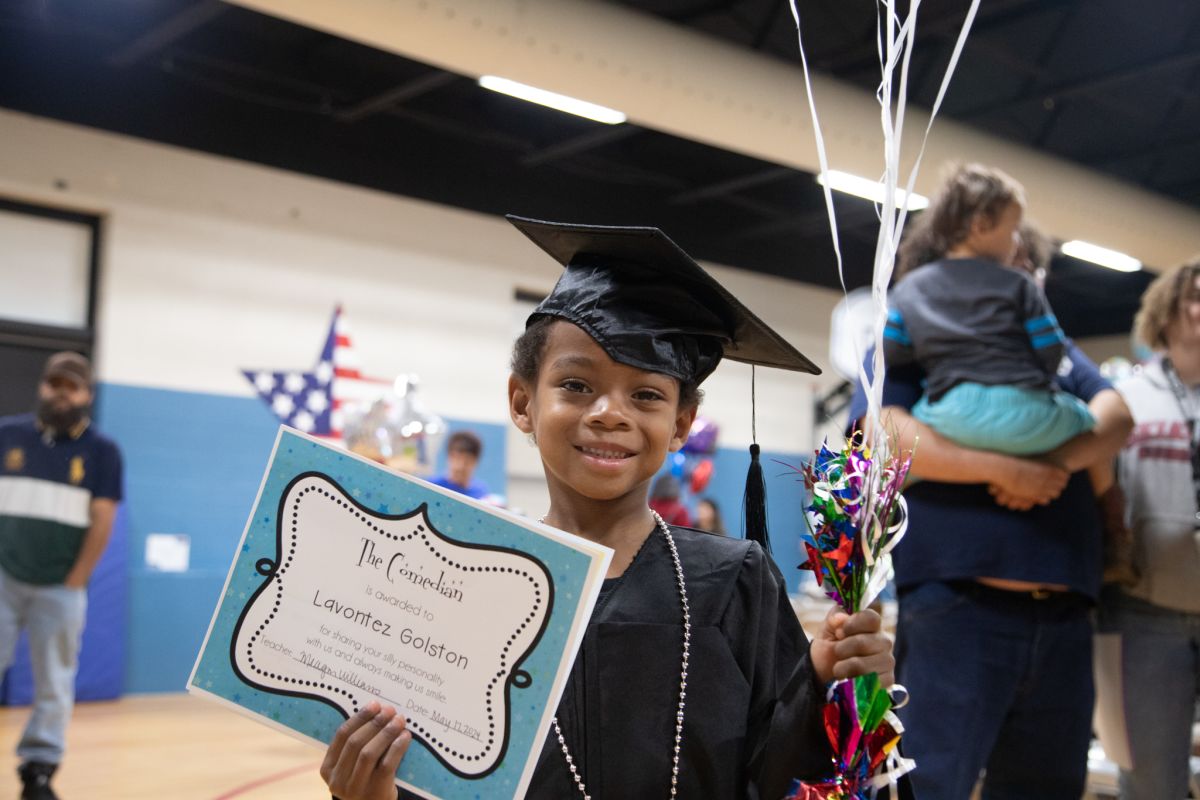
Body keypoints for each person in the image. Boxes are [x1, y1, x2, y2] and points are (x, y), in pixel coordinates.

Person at [321, 216, 896, 800]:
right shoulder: (467, 586)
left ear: (680, 424)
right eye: (575, 385)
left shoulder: (734, 581)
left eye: (646, 394)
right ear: (523, 402)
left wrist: (827, 683)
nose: (609, 413)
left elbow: (781, 775)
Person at [848, 175, 1134, 797]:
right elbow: (880, 433)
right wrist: (1003, 470)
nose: (1017, 274)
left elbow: (1116, 418)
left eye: (1026, 265)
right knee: (930, 784)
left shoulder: (1054, 350)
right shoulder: (924, 323)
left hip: (1064, 612)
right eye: (1011, 258)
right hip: (958, 604)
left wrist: (1049, 466)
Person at [883, 162, 1095, 458]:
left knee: (911, 439)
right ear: (981, 225)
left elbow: (892, 350)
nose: (1017, 241)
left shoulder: (908, 288)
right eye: (1013, 231)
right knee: (1088, 420)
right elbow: (1051, 348)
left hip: (951, 416)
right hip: (1028, 414)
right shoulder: (1019, 283)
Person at [1094, 259, 1200, 799]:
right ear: (1167, 311)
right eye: (1196, 297)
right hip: (1146, 617)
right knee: (1154, 781)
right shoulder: (1126, 396)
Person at [0, 352, 123, 800]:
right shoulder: (7, 435)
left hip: (60, 587)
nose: (61, 392)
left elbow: (103, 517)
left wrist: (77, 577)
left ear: (86, 394)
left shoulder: (102, 452)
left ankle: (39, 769)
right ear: (42, 387)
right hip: (4, 579)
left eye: (71, 386)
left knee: (54, 680)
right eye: (54, 384)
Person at [427, 430, 490, 500]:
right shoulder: (431, 487)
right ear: (449, 456)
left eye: (467, 461)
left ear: (476, 461)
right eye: (456, 458)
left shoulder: (480, 492)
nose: (460, 466)